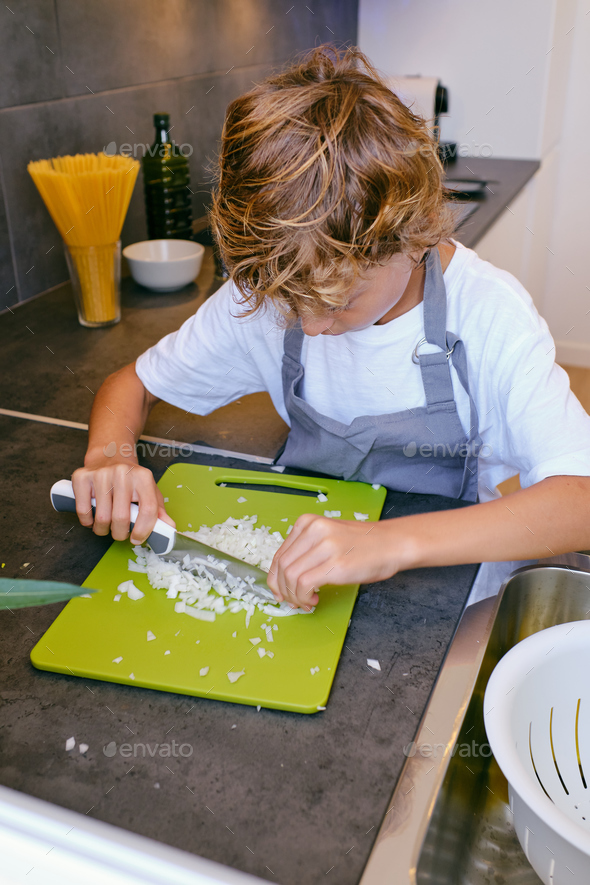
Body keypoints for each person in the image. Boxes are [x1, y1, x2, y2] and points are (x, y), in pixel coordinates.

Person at [72, 45, 590, 612]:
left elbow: (580, 503)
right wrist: (111, 459)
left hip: (453, 607)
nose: (313, 327)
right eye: (293, 304)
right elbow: (132, 385)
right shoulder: (278, 289)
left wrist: (393, 543)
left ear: (412, 234)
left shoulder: (489, 314)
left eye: (340, 301)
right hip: (300, 587)